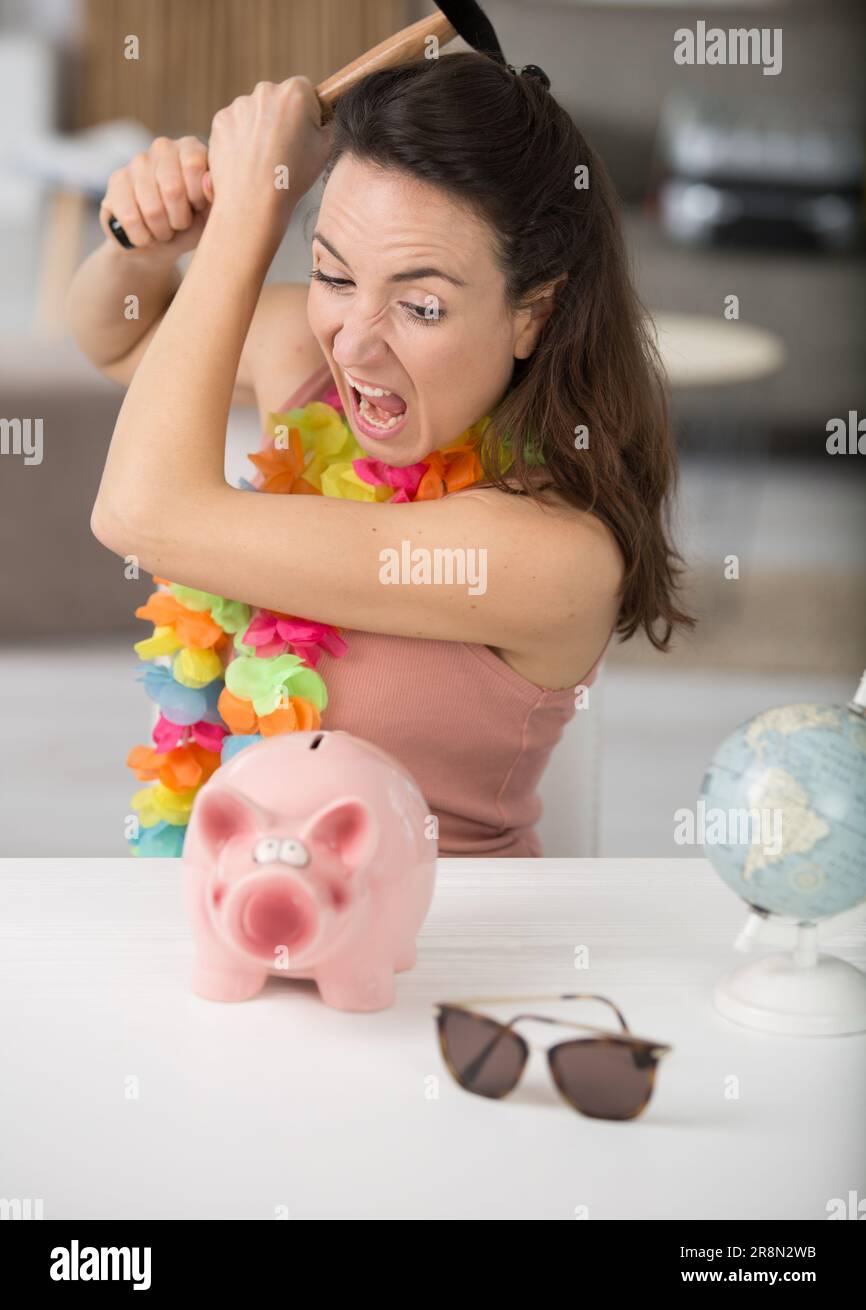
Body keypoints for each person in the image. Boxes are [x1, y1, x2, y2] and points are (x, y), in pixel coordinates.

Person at [68, 52, 694, 857]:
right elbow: (121, 336)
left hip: (443, 958)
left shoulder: (551, 552)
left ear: (534, 315)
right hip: (237, 928)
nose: (355, 345)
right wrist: (145, 242)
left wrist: (246, 223)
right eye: (331, 272)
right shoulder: (312, 361)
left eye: (422, 305)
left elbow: (139, 510)